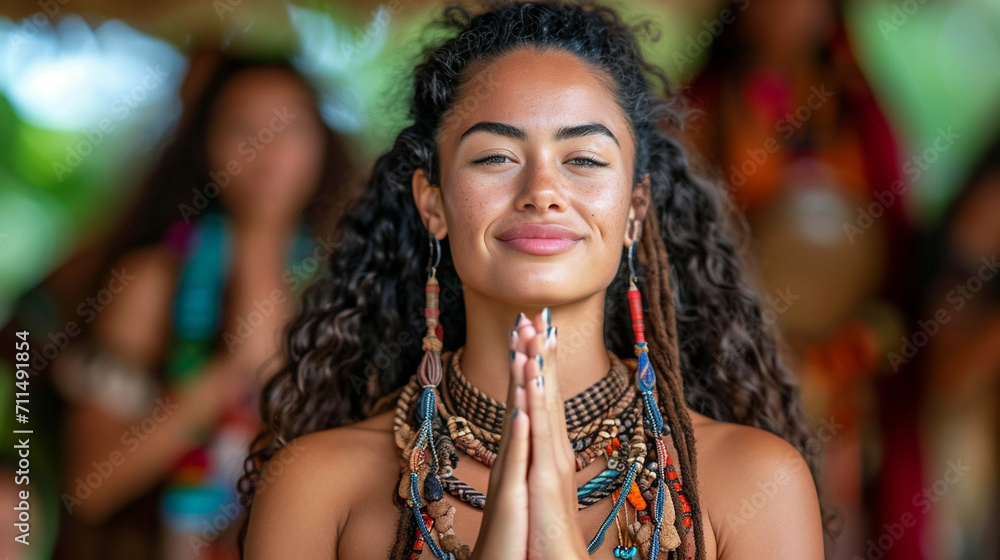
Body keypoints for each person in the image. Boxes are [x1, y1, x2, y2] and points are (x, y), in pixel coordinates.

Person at [239, 2, 825, 559]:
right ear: (433, 203)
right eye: (495, 157)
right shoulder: (316, 488)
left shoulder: (756, 482)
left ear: (635, 208)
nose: (542, 191)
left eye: (584, 160)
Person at [53, 54, 354, 559]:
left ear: (322, 144)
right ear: (205, 147)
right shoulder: (153, 281)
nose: (269, 149)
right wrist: (230, 372)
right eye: (243, 127)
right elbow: (89, 488)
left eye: (290, 127)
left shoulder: (349, 286)